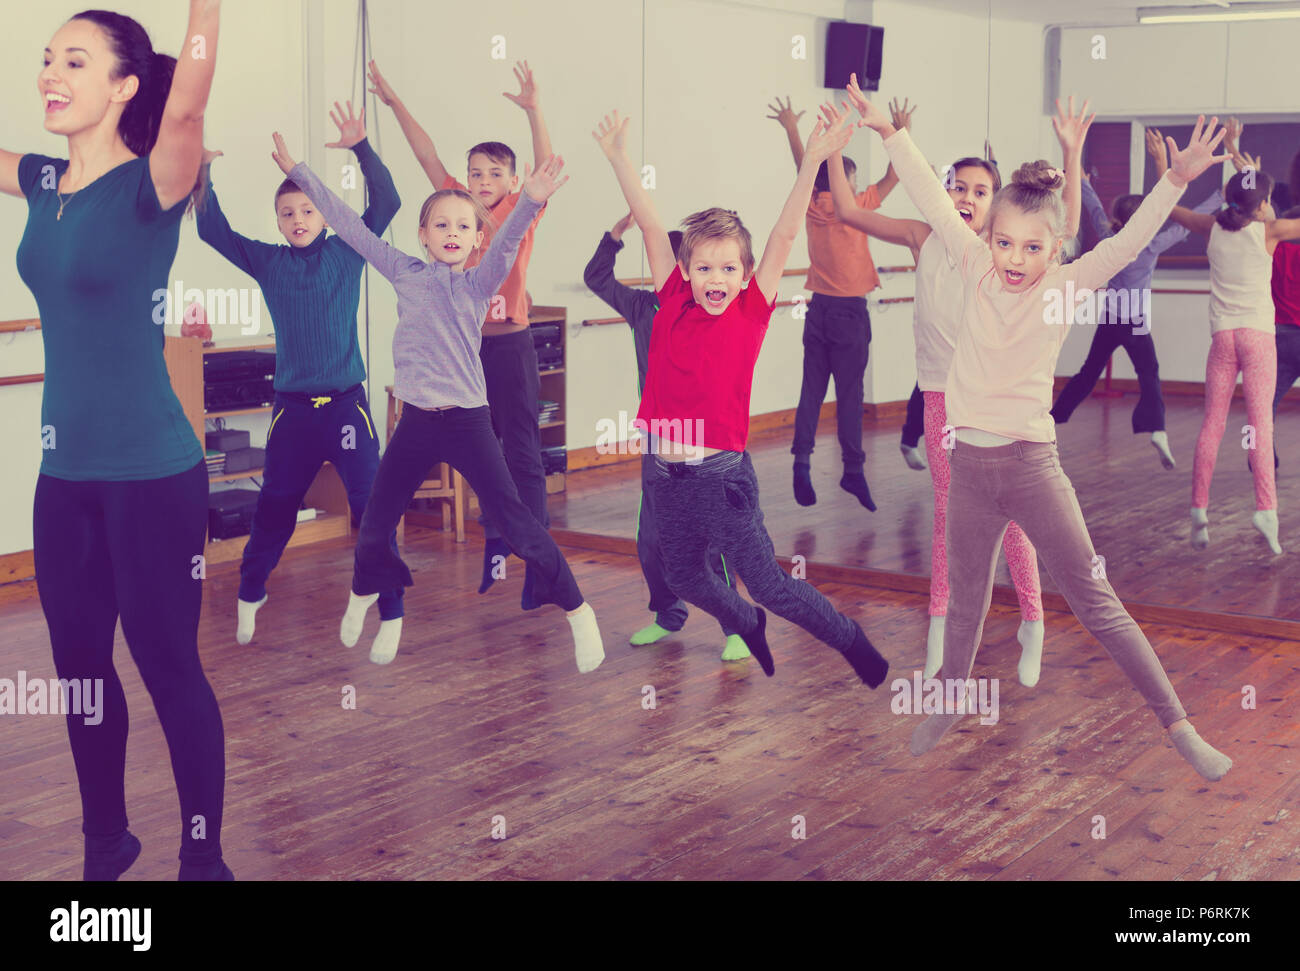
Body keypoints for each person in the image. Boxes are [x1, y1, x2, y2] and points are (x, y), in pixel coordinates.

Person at [850, 76, 1232, 781]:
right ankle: (950, 698)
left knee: (1095, 600)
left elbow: (1127, 243)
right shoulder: (971, 264)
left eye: (1030, 247)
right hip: (968, 467)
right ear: (988, 237)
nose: (1014, 260)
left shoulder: (1066, 284)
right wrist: (889, 132)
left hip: (1031, 469)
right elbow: (933, 199)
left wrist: (1174, 180)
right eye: (1004, 243)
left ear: (1053, 247)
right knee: (965, 600)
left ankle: (1177, 722)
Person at [3, 2, 232, 879]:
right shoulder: (44, 182)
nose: (50, 76)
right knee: (81, 674)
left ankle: (203, 855)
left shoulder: (155, 181)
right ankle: (107, 839)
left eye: (74, 61)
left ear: (123, 86)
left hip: (151, 475)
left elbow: (188, 105)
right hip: (64, 479)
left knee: (170, 668)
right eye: (45, 59)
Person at [271, 133, 605, 671]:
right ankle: (370, 597)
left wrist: (532, 200)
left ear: (476, 240)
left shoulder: (478, 283)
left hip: (469, 423)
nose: (453, 233)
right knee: (375, 520)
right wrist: (304, 174)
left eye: (464, 226)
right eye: (442, 225)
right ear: (423, 235)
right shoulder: (404, 272)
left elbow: (510, 240)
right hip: (417, 422)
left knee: (518, 522)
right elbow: (351, 227)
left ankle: (577, 611)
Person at [592, 107, 889, 687]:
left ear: (747, 272)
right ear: (684, 269)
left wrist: (810, 161)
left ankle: (851, 640)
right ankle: (743, 623)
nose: (717, 278)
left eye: (729, 267)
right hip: (663, 472)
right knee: (683, 577)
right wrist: (618, 157)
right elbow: (653, 227)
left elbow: (782, 233)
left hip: (721, 477)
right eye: (705, 267)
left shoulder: (750, 312)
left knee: (770, 584)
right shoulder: (672, 298)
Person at [823, 100, 1062, 684]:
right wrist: (833, 149)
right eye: (958, 186)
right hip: (938, 400)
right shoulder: (921, 235)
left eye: (981, 191)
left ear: (997, 203)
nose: (967, 197)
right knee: (949, 519)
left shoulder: (998, 258)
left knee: (1009, 522)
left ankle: (1032, 619)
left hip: (992, 405)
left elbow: (1060, 236)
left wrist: (1068, 160)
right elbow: (849, 211)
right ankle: (939, 631)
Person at [193, 101, 405, 658]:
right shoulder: (269, 262)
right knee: (276, 509)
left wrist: (361, 146)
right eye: (288, 214)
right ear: (280, 222)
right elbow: (212, 230)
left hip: (345, 407)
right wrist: (202, 171)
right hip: (292, 412)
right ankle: (249, 591)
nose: (299, 220)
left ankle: (389, 608)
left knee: (370, 502)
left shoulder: (349, 250)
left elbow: (388, 201)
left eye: (308, 209)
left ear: (324, 213)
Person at [367, 58, 552, 598]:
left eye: (496, 173)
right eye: (476, 174)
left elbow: (545, 166)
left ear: (513, 181)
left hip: (511, 346)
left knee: (522, 453)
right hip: (463, 353)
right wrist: (395, 101)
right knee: (485, 457)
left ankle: (540, 567)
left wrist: (535, 109)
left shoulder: (522, 208)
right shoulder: (459, 212)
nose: (485, 182)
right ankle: (496, 546)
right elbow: (424, 152)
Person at [583, 214, 750, 662]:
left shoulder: (720, 311)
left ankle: (735, 625)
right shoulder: (642, 307)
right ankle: (667, 613)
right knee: (652, 537)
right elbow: (595, 277)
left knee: (709, 536)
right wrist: (615, 234)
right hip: (660, 438)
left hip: (710, 440)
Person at [765, 94, 908, 511]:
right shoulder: (857, 205)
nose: (859, 185)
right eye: (852, 179)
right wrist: (900, 130)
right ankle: (853, 471)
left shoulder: (810, 204)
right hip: (848, 312)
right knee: (850, 394)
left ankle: (802, 460)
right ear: (844, 184)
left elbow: (805, 168)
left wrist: (793, 128)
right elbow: (896, 174)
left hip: (818, 310)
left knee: (812, 390)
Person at [1052, 126, 1224, 469]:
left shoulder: (1107, 234)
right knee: (1149, 372)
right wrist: (1219, 196)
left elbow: (1093, 205)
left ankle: (1053, 420)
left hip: (1110, 321)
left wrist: (1081, 178)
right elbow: (1187, 223)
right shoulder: (1151, 243)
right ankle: (1157, 429)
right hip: (1135, 324)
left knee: (1088, 372)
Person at [1168, 142, 1300, 556]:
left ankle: (1198, 510)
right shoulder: (1269, 231)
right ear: (1263, 205)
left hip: (1223, 339)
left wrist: (1166, 172)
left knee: (1213, 424)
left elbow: (1173, 209)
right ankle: (1265, 509)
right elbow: (1280, 221)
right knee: (1260, 426)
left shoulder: (1212, 227)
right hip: (1259, 338)